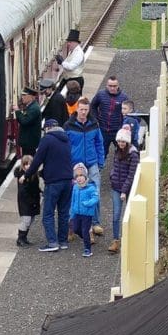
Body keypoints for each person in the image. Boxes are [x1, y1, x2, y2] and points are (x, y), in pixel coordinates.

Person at [21, 119, 74, 252]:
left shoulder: (47, 139)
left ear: (48, 128)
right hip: (68, 181)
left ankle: (52, 243)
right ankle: (63, 241)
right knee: (63, 213)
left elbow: (37, 160)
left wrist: (26, 175)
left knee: (48, 214)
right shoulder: (66, 138)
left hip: (54, 182)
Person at [64, 97, 105, 237]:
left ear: (89, 110)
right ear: (77, 109)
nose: (83, 112)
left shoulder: (94, 124)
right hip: (75, 164)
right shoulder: (68, 125)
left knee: (95, 193)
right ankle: (73, 224)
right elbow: (65, 146)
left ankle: (96, 223)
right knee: (75, 193)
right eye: (81, 109)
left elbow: (99, 143)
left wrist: (100, 161)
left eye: (86, 110)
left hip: (92, 162)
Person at [108, 127, 141, 254]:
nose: (121, 143)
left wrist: (124, 190)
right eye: (119, 141)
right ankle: (116, 240)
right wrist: (112, 176)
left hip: (128, 189)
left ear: (127, 142)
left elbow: (131, 175)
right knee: (116, 215)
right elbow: (114, 167)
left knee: (130, 215)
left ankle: (130, 238)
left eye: (123, 141)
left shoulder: (133, 154)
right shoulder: (117, 151)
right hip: (116, 186)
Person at [90, 76, 130, 154]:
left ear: (118, 86)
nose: (112, 88)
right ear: (106, 85)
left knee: (121, 153)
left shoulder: (124, 97)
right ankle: (101, 166)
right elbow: (93, 106)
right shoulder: (100, 94)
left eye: (114, 86)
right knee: (101, 153)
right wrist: (95, 119)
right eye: (110, 86)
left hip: (118, 131)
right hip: (103, 130)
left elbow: (129, 112)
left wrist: (124, 124)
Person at [70, 162, 99, 258]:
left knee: (85, 230)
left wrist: (87, 204)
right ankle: (86, 238)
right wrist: (72, 212)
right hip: (77, 212)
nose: (79, 178)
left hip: (87, 213)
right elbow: (73, 200)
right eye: (77, 176)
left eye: (81, 175)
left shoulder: (91, 187)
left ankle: (88, 249)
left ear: (85, 176)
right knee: (76, 229)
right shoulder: (75, 187)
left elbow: (95, 198)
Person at [13, 155, 40, 247]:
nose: (27, 166)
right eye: (26, 164)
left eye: (29, 164)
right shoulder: (22, 177)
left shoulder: (33, 176)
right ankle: (20, 239)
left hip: (32, 201)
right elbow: (23, 191)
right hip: (25, 201)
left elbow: (35, 187)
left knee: (31, 219)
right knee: (26, 220)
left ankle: (24, 238)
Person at [13, 86, 42, 157]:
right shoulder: (31, 106)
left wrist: (17, 111)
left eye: (24, 95)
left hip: (29, 142)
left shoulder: (34, 108)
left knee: (28, 160)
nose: (22, 97)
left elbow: (24, 121)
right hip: (28, 141)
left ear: (31, 96)